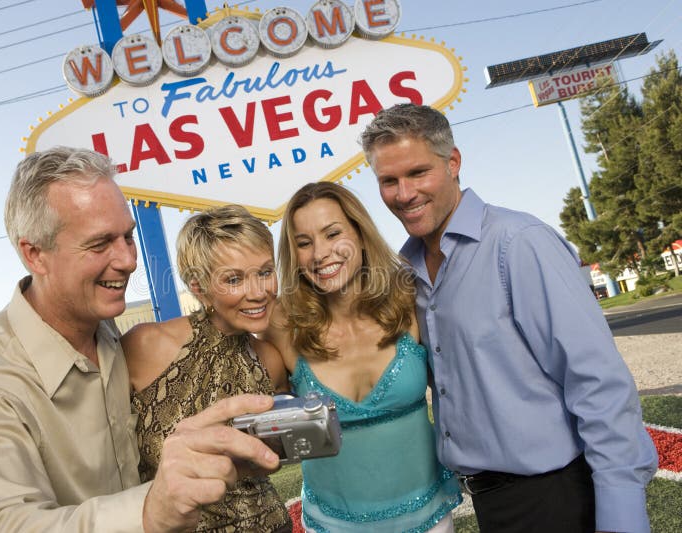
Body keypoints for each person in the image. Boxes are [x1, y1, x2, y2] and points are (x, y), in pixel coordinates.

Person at [0, 146, 282, 532]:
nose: (129, 260)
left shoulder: (108, 333)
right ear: (35, 255)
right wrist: (149, 512)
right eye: (100, 244)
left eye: (127, 237)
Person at [362, 103, 658, 533]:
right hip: (490, 501)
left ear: (453, 162)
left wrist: (622, 515)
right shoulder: (407, 275)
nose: (404, 194)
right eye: (388, 181)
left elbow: (598, 383)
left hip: (558, 496)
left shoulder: (518, 244)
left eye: (418, 173)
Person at [265, 181, 462, 533]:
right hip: (330, 525)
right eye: (304, 243)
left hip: (428, 520)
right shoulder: (283, 323)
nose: (320, 254)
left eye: (332, 233)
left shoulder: (408, 296)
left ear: (359, 232)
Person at [121, 205, 293, 532]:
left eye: (265, 271)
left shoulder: (270, 358)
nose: (259, 292)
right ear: (199, 287)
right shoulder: (145, 346)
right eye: (234, 278)